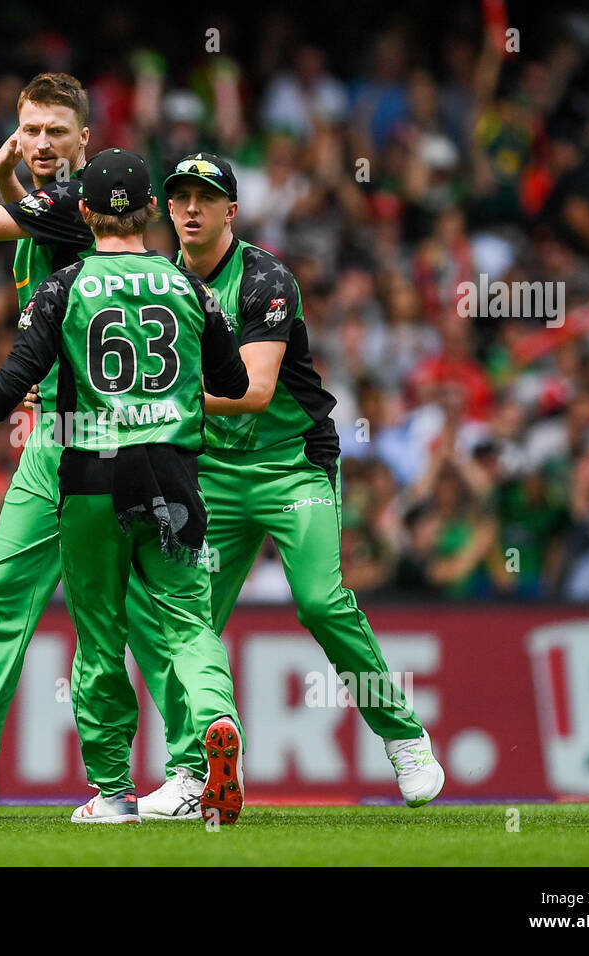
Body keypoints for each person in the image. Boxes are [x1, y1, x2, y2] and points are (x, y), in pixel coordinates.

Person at [0, 78, 198, 818]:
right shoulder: (63, 207)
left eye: (58, 131)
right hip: (62, 437)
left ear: (85, 141)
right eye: (31, 130)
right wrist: (0, 172)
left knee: (135, 617)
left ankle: (184, 766)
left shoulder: (73, 203)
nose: (44, 144)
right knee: (7, 596)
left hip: (86, 444)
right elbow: (27, 222)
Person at [0, 149, 249, 824]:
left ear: (82, 213)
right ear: (151, 214)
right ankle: (216, 725)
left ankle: (113, 794)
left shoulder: (66, 285)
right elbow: (233, 384)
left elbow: (18, 371)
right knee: (187, 624)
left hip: (89, 476)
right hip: (171, 472)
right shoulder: (187, 286)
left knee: (100, 637)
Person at [160, 152, 444, 808]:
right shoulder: (160, 283)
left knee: (319, 601)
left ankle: (404, 736)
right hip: (213, 473)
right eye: (180, 198)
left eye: (206, 198)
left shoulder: (266, 278)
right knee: (188, 616)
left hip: (294, 465)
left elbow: (256, 391)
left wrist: (159, 398)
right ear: (168, 209)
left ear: (232, 210)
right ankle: (188, 771)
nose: (192, 209)